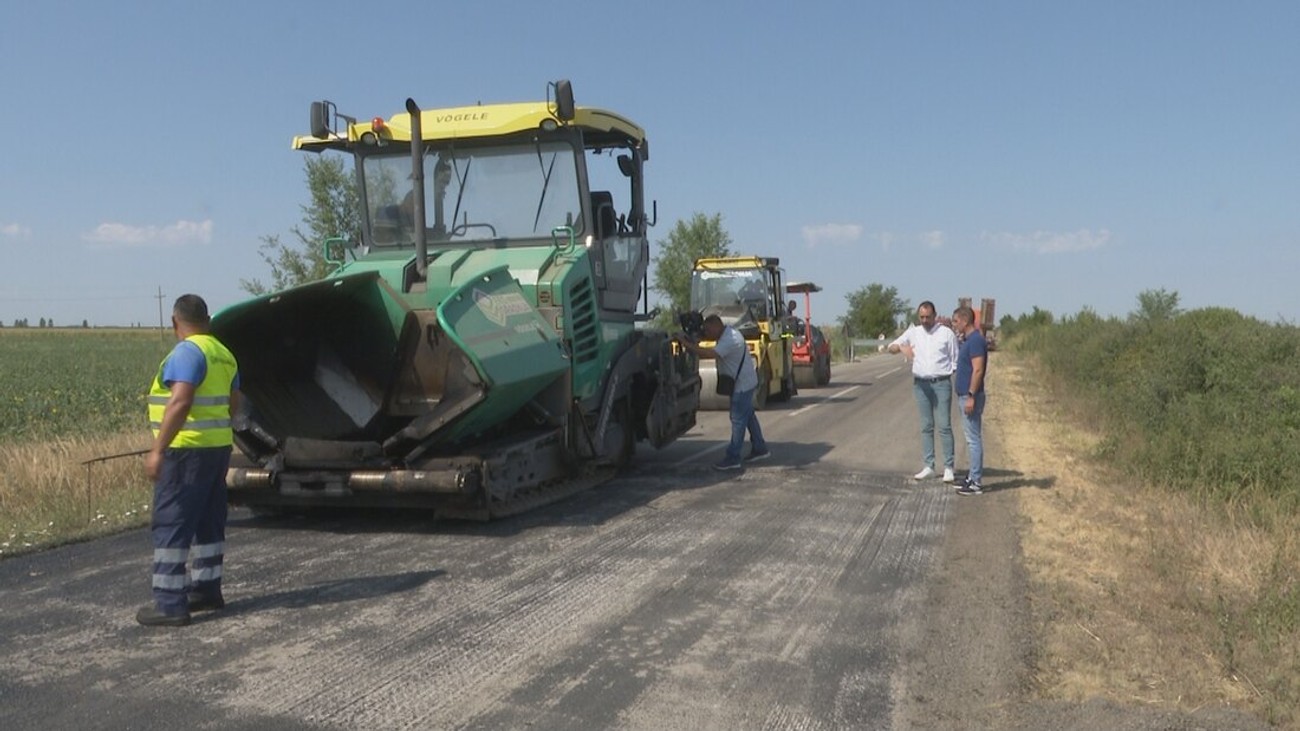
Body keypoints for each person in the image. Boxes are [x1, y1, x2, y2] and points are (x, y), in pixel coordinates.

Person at [137, 294, 242, 627]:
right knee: (209, 520)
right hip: (216, 449)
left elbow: (180, 401)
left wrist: (157, 449)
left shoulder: (187, 352)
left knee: (173, 522)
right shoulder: (224, 355)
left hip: (185, 452)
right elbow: (234, 404)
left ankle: (170, 604)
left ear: (174, 322)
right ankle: (207, 590)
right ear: (208, 320)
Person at [675, 314, 770, 470]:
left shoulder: (730, 340)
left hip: (742, 385)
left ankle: (733, 458)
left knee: (738, 420)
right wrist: (693, 339)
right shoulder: (727, 334)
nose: (706, 334)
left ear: (715, 326)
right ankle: (760, 448)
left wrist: (686, 343)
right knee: (748, 416)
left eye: (707, 330)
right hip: (745, 381)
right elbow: (709, 342)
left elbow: (708, 353)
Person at [888, 301, 959, 483]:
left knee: (944, 426)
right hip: (921, 385)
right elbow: (891, 347)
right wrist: (901, 348)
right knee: (926, 426)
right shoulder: (914, 333)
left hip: (941, 383)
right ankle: (929, 465)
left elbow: (954, 359)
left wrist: (946, 375)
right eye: (922, 317)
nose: (925, 320)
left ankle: (949, 467)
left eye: (928, 317)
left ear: (935, 316)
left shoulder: (946, 334)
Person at [951, 305, 989, 495]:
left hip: (970, 395)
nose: (955, 325)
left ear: (965, 321)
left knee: (973, 439)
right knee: (970, 438)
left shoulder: (975, 341)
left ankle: (975, 483)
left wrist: (971, 396)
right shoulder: (970, 340)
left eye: (956, 321)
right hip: (966, 394)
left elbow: (978, 369)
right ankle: (971, 476)